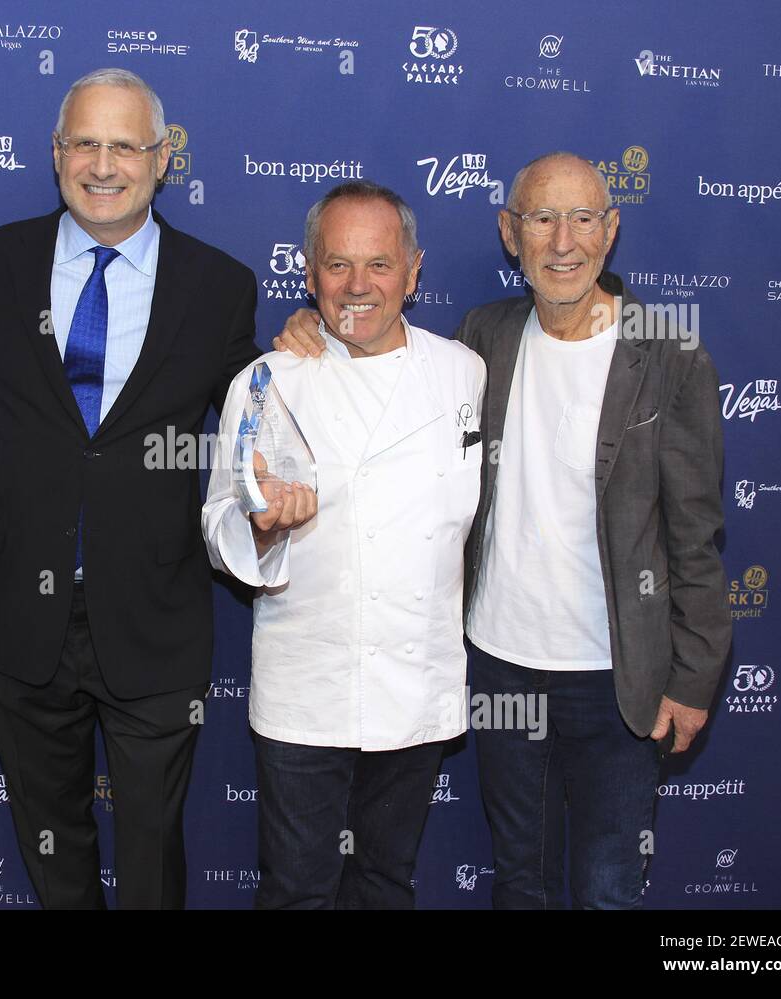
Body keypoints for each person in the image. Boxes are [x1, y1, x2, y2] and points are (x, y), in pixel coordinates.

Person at [275, 152, 730, 909]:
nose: (562, 241)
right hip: (500, 666)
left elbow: (696, 530)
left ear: (609, 230)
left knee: (609, 887)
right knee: (521, 880)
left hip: (619, 675)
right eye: (540, 219)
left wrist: (693, 674)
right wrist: (311, 325)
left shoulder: (668, 353)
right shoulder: (481, 341)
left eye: (582, 218)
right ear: (508, 234)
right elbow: (374, 346)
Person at [0, 68, 260, 909]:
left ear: (163, 159)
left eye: (125, 144)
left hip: (154, 620)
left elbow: (255, 429)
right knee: (52, 848)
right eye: (85, 141)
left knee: (154, 855)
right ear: (56, 155)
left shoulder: (221, 285)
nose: (103, 163)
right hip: (22, 615)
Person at [204, 181, 485, 908]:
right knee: (297, 888)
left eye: (380, 265)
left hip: (414, 679)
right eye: (337, 265)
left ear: (414, 271)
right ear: (308, 271)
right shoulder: (266, 381)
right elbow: (217, 524)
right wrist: (262, 526)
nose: (358, 286)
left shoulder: (464, 371)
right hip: (308, 688)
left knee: (386, 883)